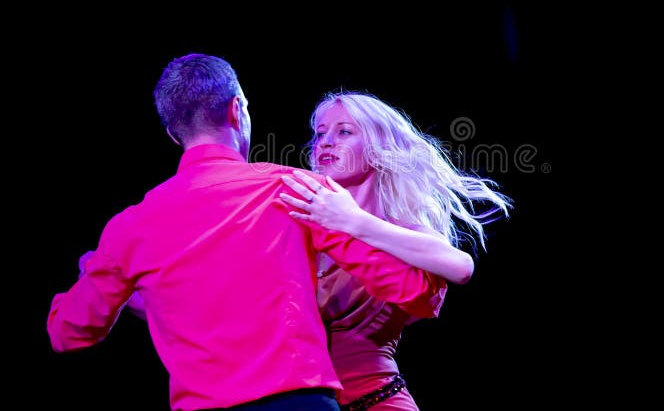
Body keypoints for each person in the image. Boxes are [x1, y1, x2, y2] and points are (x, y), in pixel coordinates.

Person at [47, 54, 446, 411]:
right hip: (300, 403)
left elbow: (67, 333)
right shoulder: (296, 189)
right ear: (238, 110)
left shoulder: (129, 227)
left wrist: (97, 274)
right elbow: (413, 290)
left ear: (172, 133)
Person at [279, 91, 512, 410]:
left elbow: (460, 267)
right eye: (320, 133)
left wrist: (354, 221)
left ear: (377, 148)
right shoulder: (296, 222)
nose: (326, 142)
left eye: (344, 131)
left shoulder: (399, 231)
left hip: (376, 400)